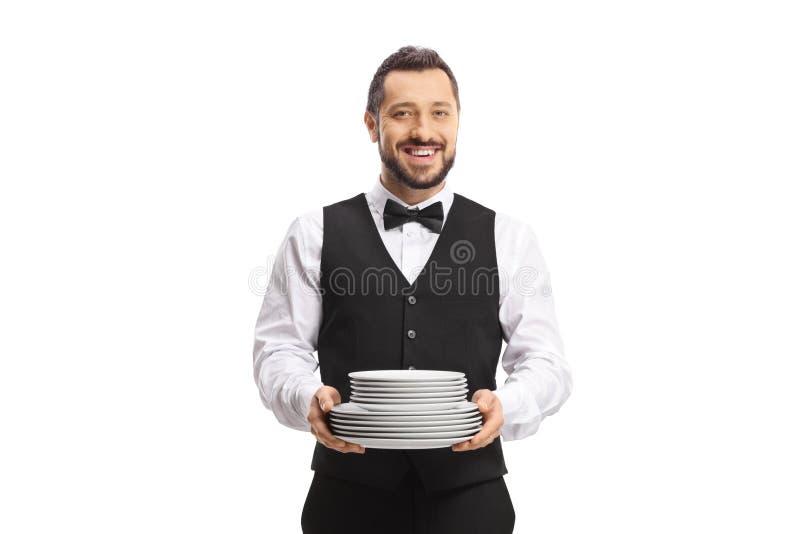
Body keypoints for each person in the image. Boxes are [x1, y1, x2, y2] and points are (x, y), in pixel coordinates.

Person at [253, 45, 573, 534]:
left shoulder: (509, 238)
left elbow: (547, 363)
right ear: (371, 124)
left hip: (471, 500)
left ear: (457, 121)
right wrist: (305, 397)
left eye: (439, 113)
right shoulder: (312, 232)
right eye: (403, 114)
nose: (423, 131)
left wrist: (506, 405)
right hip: (345, 501)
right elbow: (278, 351)